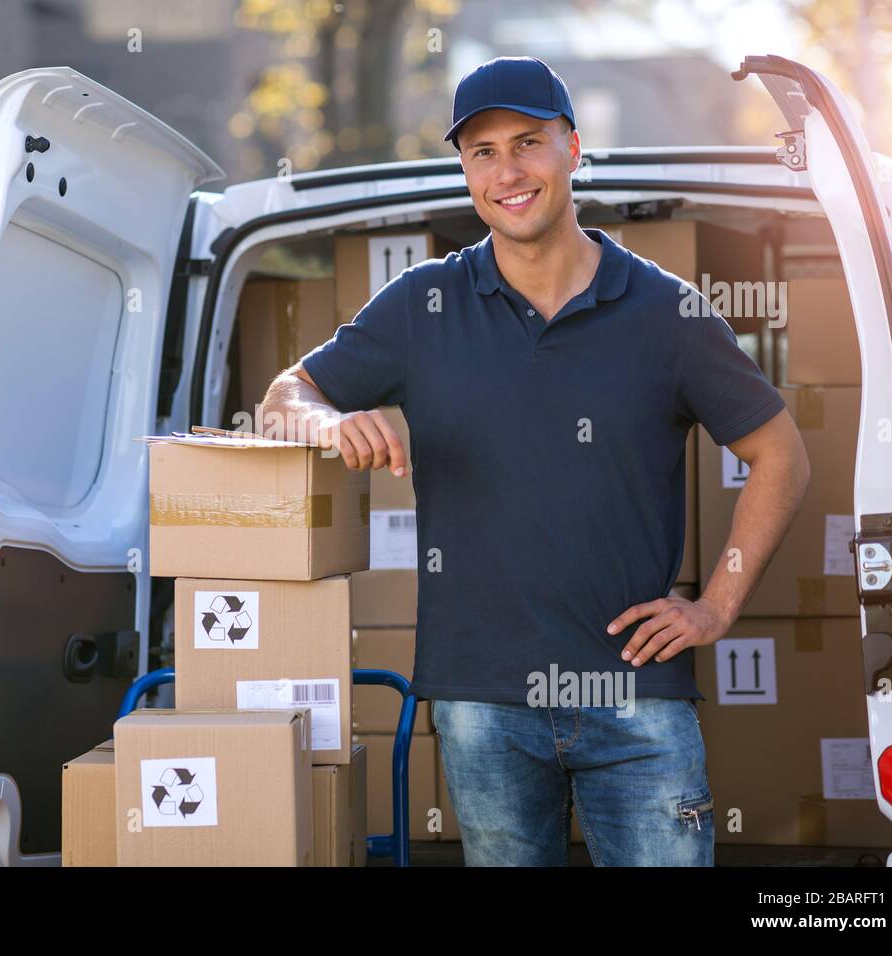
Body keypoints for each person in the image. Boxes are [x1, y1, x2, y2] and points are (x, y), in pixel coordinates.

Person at [259, 55, 810, 866]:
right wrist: (330, 424)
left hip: (636, 698)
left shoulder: (667, 312)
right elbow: (281, 399)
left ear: (574, 148)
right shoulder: (423, 305)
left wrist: (716, 607)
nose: (507, 172)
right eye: (482, 153)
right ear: (464, 170)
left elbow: (781, 456)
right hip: (482, 704)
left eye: (528, 143)